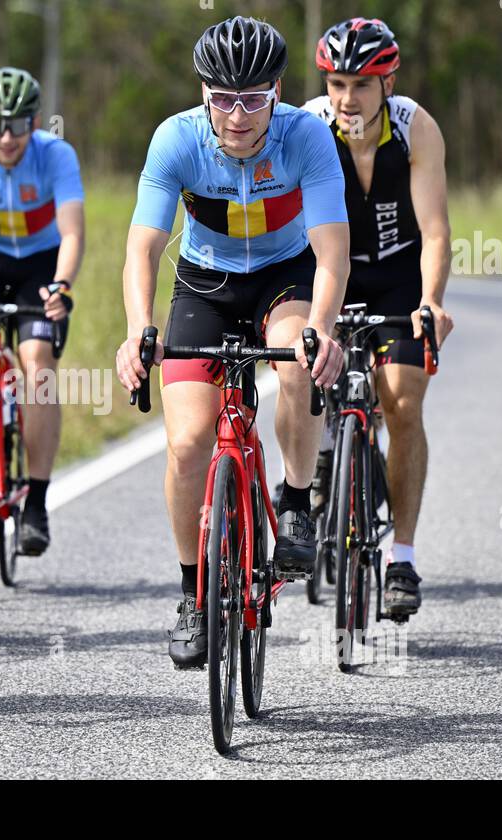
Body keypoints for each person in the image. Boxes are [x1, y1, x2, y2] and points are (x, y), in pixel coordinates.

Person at [114, 16, 350, 669]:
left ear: (277, 90)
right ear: (203, 91)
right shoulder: (176, 140)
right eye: (223, 97)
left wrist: (321, 328)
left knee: (297, 364)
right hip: (205, 286)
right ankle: (193, 595)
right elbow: (143, 246)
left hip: (285, 276)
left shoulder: (307, 137)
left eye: (253, 98)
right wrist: (139, 330)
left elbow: (332, 252)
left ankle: (297, 499)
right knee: (189, 441)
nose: (238, 114)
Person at [303, 17, 455, 617]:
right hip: (328, 271)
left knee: (402, 403)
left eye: (361, 84)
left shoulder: (416, 129)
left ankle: (403, 561)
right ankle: (321, 456)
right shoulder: (309, 126)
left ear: (387, 82)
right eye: (337, 83)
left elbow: (437, 231)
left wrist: (432, 301)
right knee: (307, 374)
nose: (347, 98)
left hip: (399, 277)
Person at [0, 66, 85, 555]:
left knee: (37, 368)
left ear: (35, 123)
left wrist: (61, 285)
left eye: (17, 125)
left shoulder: (56, 154)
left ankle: (35, 504)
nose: (6, 137)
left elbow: (74, 232)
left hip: (40, 266)